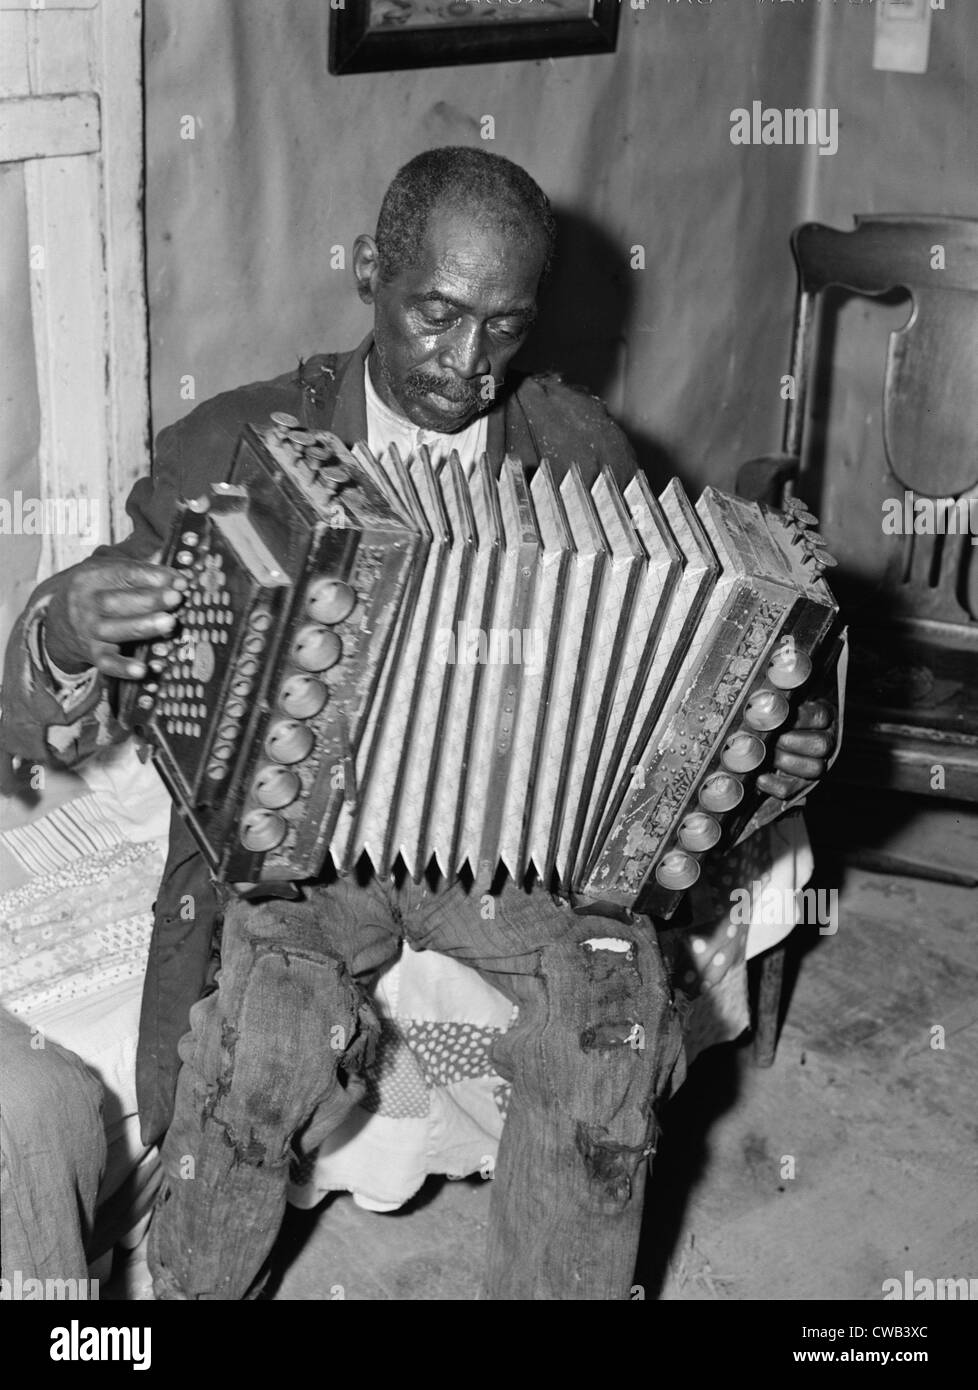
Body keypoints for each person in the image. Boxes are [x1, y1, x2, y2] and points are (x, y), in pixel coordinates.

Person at [0, 147, 836, 1300]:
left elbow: (688, 695)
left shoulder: (577, 453)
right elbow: (60, 672)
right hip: (307, 851)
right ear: (367, 274)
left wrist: (787, 752)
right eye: (436, 312)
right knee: (272, 1030)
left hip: (524, 849)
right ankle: (196, 1291)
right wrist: (62, 629)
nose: (467, 363)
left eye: (505, 325)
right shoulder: (240, 446)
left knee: (612, 1026)